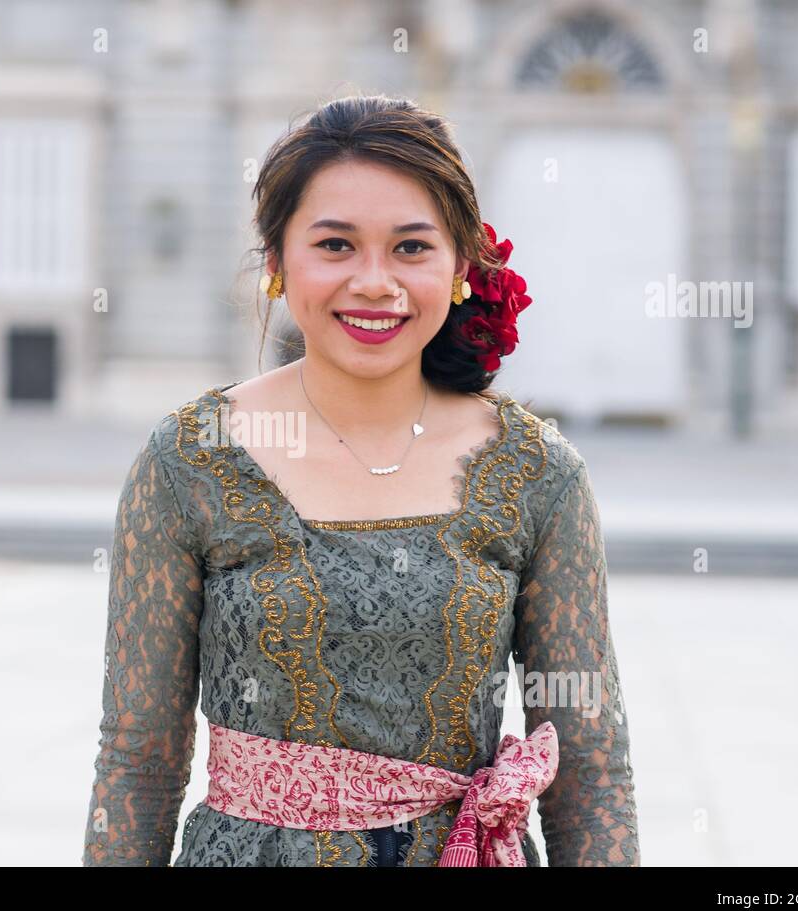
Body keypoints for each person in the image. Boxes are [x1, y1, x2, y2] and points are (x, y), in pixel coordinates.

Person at [82, 95, 639, 867]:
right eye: (336, 245)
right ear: (277, 264)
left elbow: (589, 762)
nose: (375, 282)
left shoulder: (537, 473)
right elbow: (138, 759)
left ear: (458, 268)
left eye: (411, 248)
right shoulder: (189, 462)